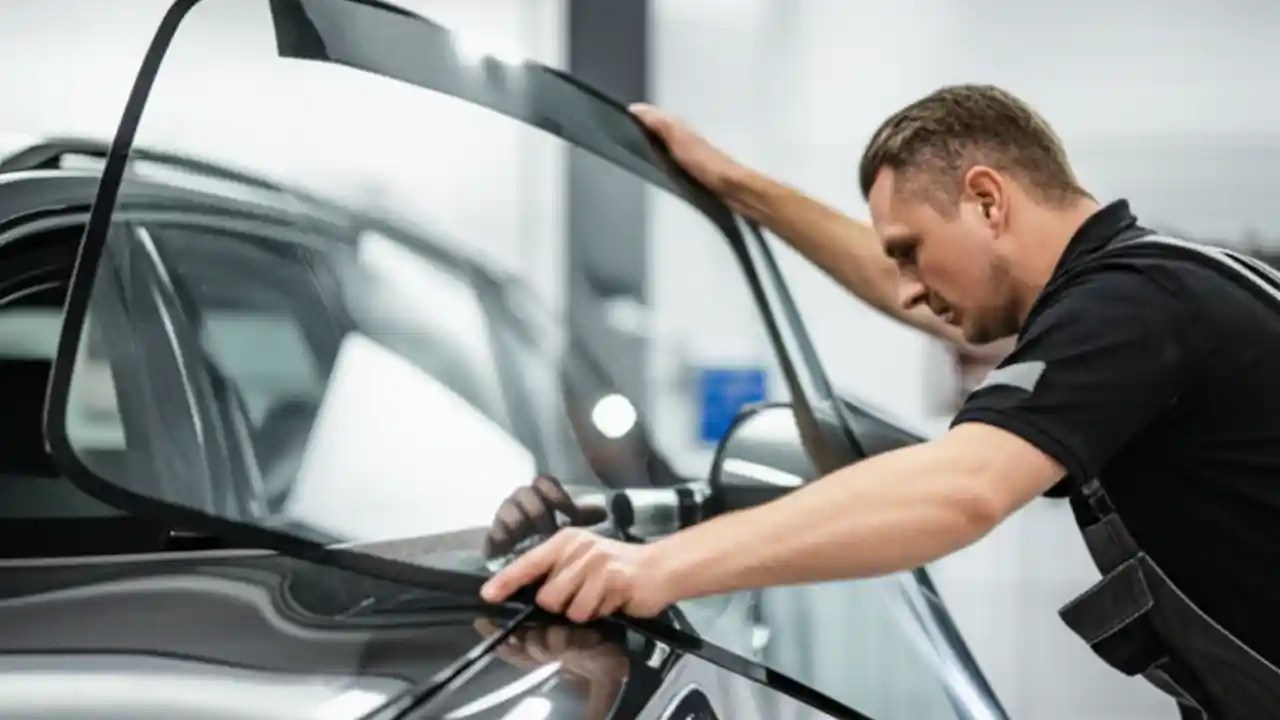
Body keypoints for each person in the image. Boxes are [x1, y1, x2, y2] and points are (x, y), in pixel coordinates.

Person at [480, 84, 1280, 718]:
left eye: (911, 252)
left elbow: (960, 489)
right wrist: (736, 186)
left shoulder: (1125, 310)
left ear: (988, 201)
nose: (905, 290)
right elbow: (920, 290)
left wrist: (658, 568)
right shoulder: (1154, 281)